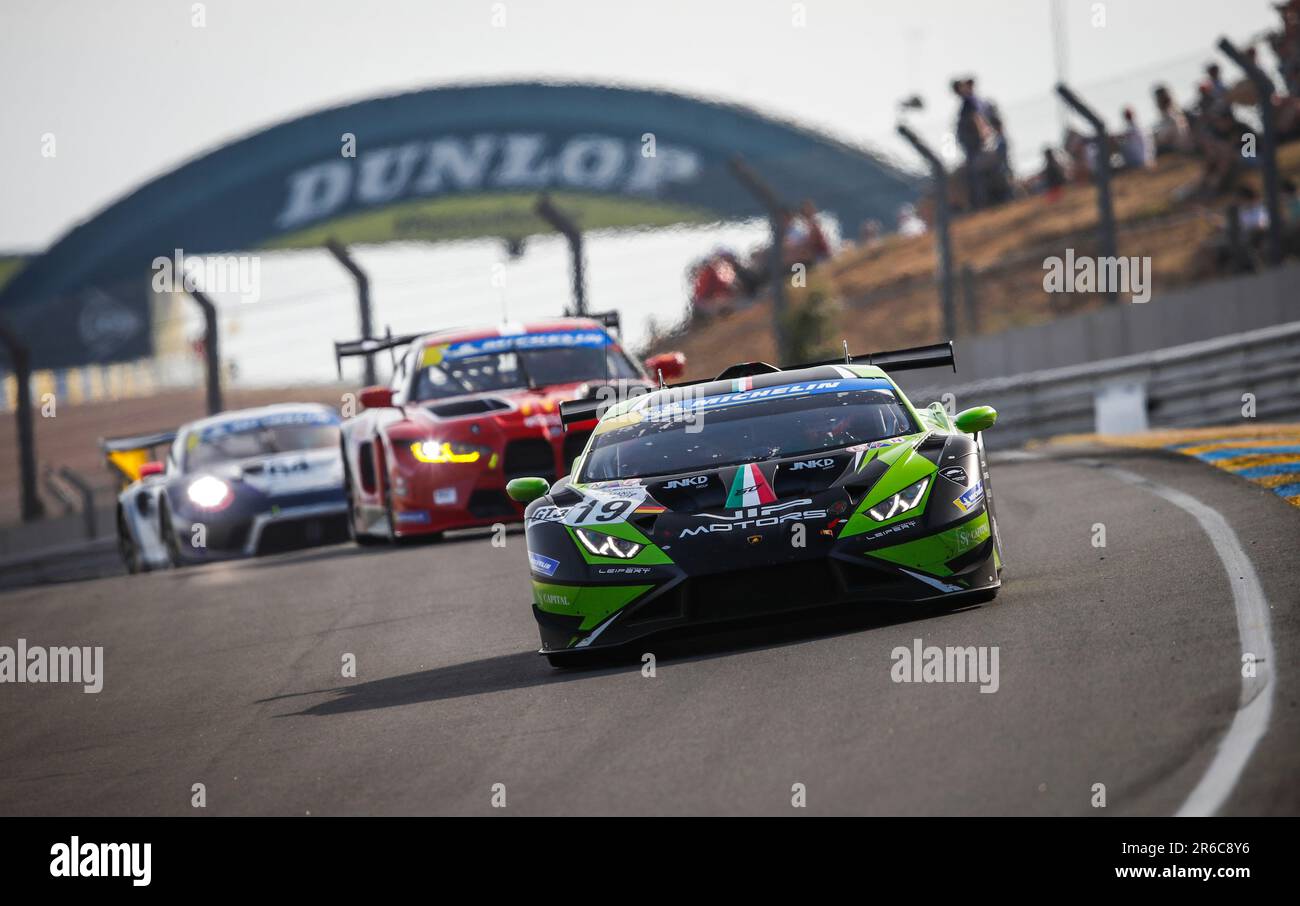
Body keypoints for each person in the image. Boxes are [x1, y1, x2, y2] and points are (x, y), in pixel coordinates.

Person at [1152, 84, 1193, 155]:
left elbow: (1163, 138)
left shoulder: (1171, 116)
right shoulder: (1176, 113)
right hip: (1180, 149)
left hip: (1179, 151)